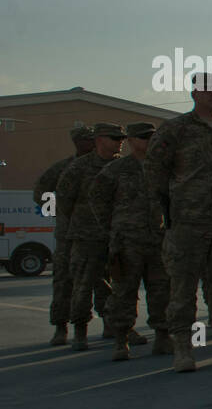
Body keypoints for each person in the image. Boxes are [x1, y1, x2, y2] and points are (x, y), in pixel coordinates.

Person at [145, 72, 212, 371]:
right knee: (182, 289)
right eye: (208, 91)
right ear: (194, 94)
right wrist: (170, 214)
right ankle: (183, 348)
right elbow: (155, 175)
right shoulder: (174, 130)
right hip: (186, 224)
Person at [89, 122, 171, 359]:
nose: (149, 141)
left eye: (152, 137)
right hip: (127, 242)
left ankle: (163, 338)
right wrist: (114, 227)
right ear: (132, 141)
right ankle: (120, 340)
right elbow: (97, 200)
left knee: (162, 290)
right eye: (144, 137)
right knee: (124, 291)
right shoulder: (116, 170)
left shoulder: (163, 169)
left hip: (158, 240)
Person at [56, 123, 125, 350]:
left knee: (117, 286)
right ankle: (79, 331)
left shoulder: (124, 166)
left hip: (117, 235)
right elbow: (64, 200)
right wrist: (79, 223)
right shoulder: (78, 168)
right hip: (86, 237)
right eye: (114, 138)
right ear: (99, 140)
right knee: (82, 286)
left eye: (121, 138)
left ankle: (115, 326)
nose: (119, 142)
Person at [35, 123, 95, 345]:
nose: (91, 143)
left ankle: (111, 323)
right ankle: (61, 327)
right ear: (77, 142)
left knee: (105, 280)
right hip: (69, 234)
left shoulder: (106, 166)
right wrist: (59, 212)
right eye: (87, 140)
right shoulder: (63, 168)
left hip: (100, 234)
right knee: (63, 280)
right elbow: (41, 191)